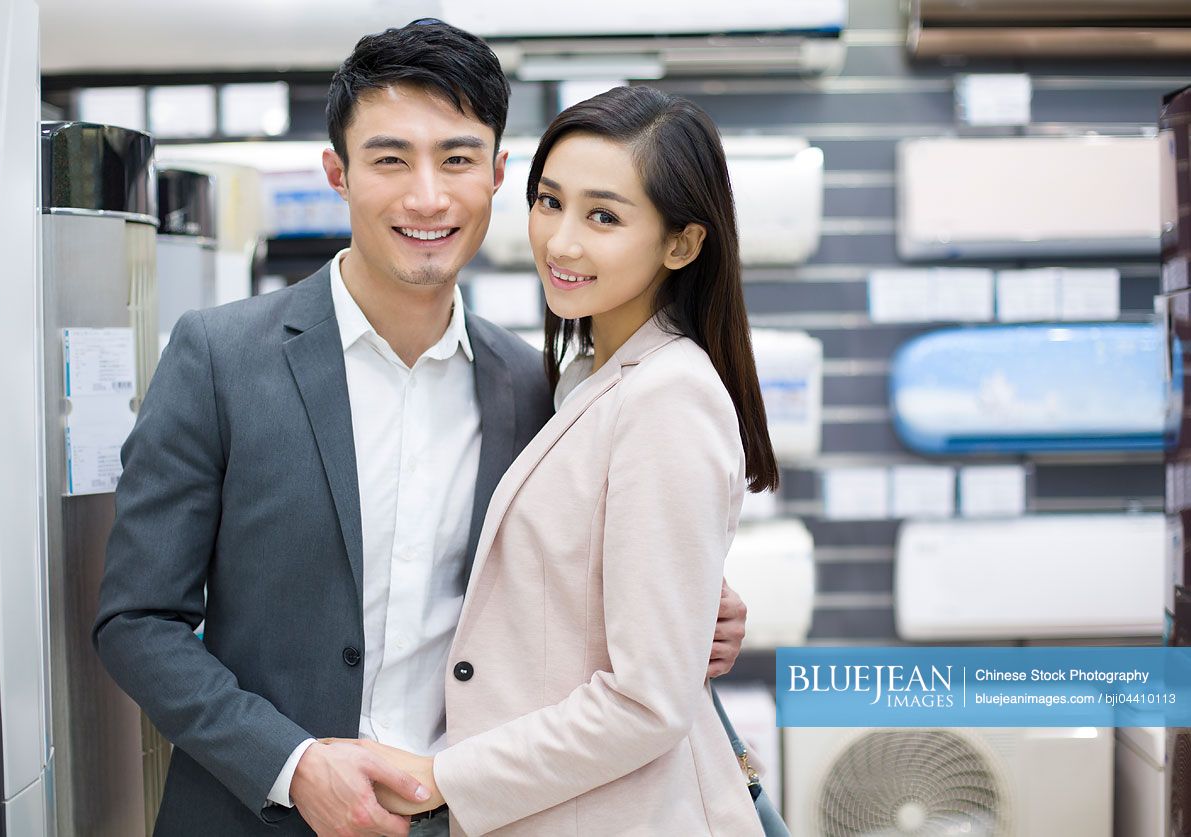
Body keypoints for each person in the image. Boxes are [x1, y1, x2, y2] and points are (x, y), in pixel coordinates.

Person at [93, 20, 749, 837]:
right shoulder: (220, 358)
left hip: (465, 814)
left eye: (458, 159)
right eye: (390, 158)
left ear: (497, 174)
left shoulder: (530, 388)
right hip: (251, 812)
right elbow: (136, 620)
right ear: (337, 171)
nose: (427, 196)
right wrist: (294, 766)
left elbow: (579, 588)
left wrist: (690, 617)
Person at [350, 84, 780, 835]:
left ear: (680, 244)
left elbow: (646, 702)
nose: (561, 241)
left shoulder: (667, 395)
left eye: (603, 216)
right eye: (549, 202)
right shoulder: (585, 374)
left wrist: (443, 775)